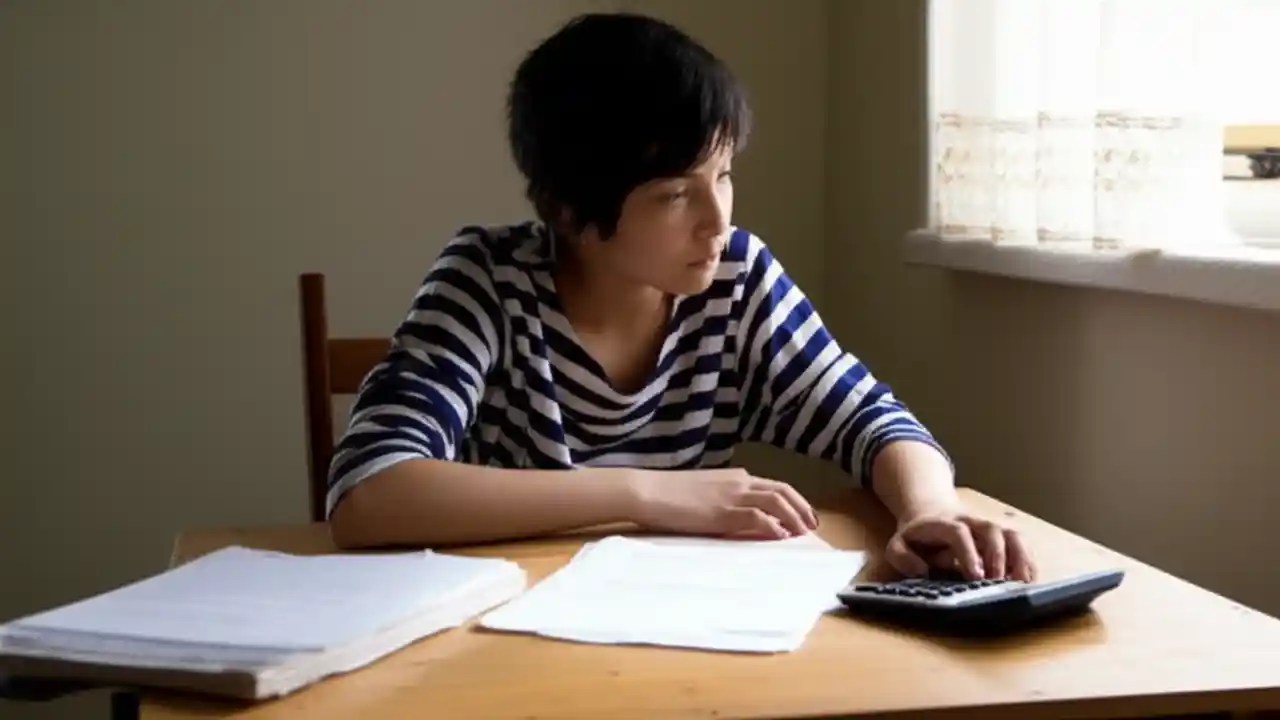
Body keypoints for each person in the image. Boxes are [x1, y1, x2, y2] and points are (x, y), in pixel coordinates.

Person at [326, 12, 1034, 582]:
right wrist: (645, 492)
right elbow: (369, 493)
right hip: (502, 634)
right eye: (673, 193)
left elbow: (874, 420)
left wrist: (928, 509)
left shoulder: (738, 279)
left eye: (722, 175)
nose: (718, 218)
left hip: (684, 632)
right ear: (569, 211)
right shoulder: (487, 280)